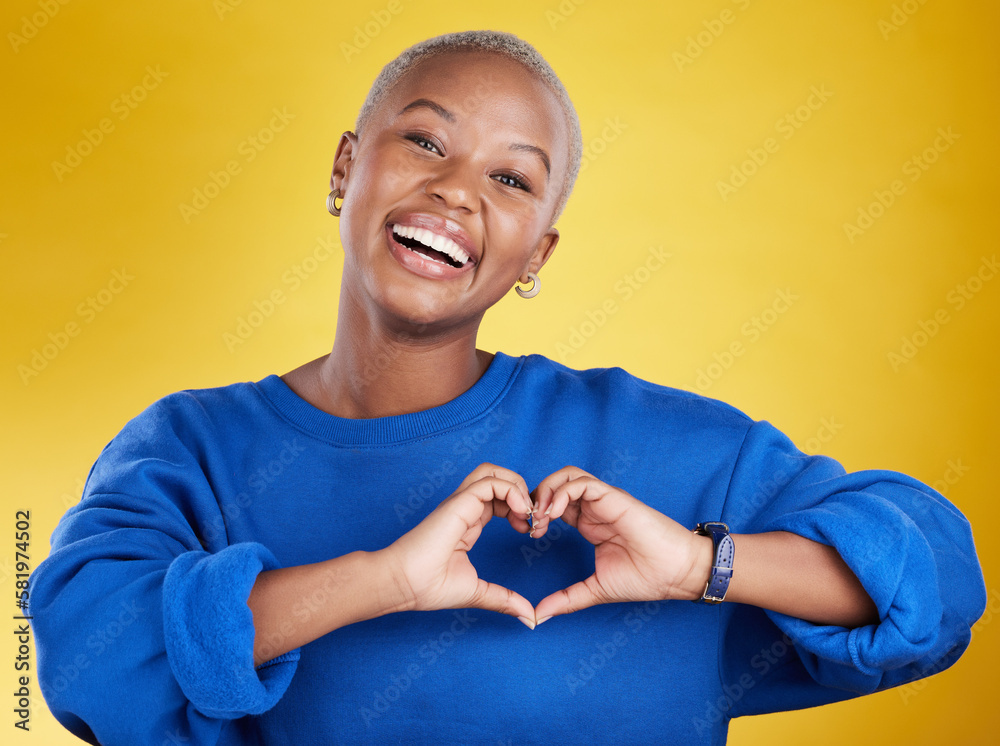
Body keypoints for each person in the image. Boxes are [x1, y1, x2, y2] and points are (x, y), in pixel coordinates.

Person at [29, 30, 985, 745]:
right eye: (424, 143)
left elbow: (936, 586)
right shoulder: (191, 447)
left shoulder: (668, 454)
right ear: (345, 167)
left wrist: (704, 568)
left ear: (538, 253)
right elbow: (81, 656)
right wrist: (380, 582)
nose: (459, 193)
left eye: (512, 181)